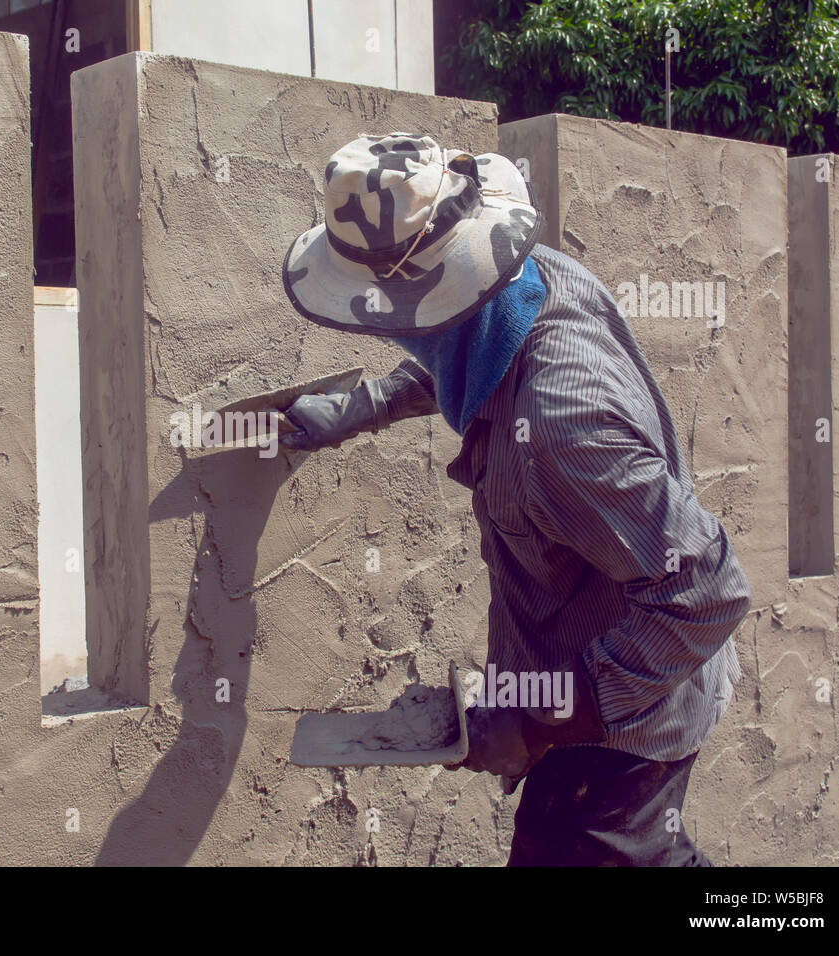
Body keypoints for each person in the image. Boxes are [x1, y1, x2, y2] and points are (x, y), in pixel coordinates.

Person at [279, 133, 751, 866]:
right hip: (593, 689)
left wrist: (538, 722)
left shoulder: (565, 429)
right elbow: (468, 354)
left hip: (623, 722)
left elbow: (710, 591)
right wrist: (363, 406)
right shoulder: (525, 286)